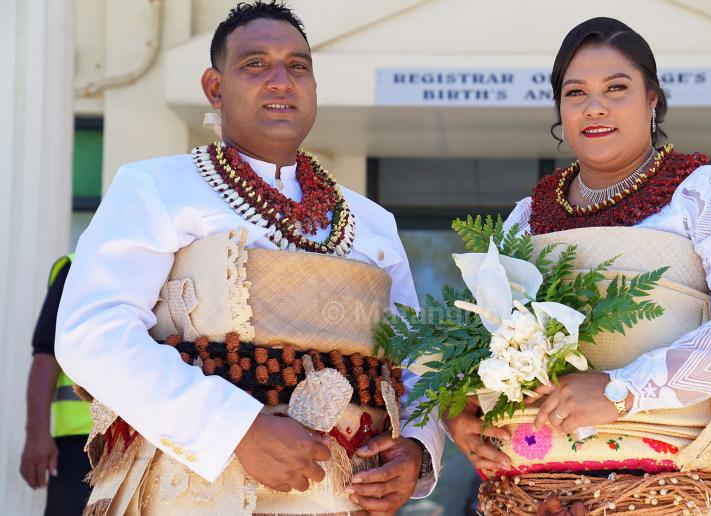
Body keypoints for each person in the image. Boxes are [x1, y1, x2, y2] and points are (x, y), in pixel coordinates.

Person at [444, 17, 711, 515]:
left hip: (685, 487)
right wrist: (458, 407)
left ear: (652, 100)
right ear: (560, 108)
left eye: (616, 88)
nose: (594, 106)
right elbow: (480, 332)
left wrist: (624, 390)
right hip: (546, 493)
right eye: (575, 93)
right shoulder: (529, 214)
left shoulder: (704, 193)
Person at [56, 2, 442, 514]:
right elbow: (92, 332)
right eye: (255, 64)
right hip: (194, 490)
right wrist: (235, 429)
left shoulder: (372, 221)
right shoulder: (157, 187)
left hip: (345, 497)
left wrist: (416, 450)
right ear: (215, 88)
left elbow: (415, 359)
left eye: (298, 66)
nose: (282, 81)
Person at [20, 255, 92, 515]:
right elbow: (45, 355)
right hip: (78, 446)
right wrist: (36, 435)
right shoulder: (76, 266)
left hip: (146, 437)